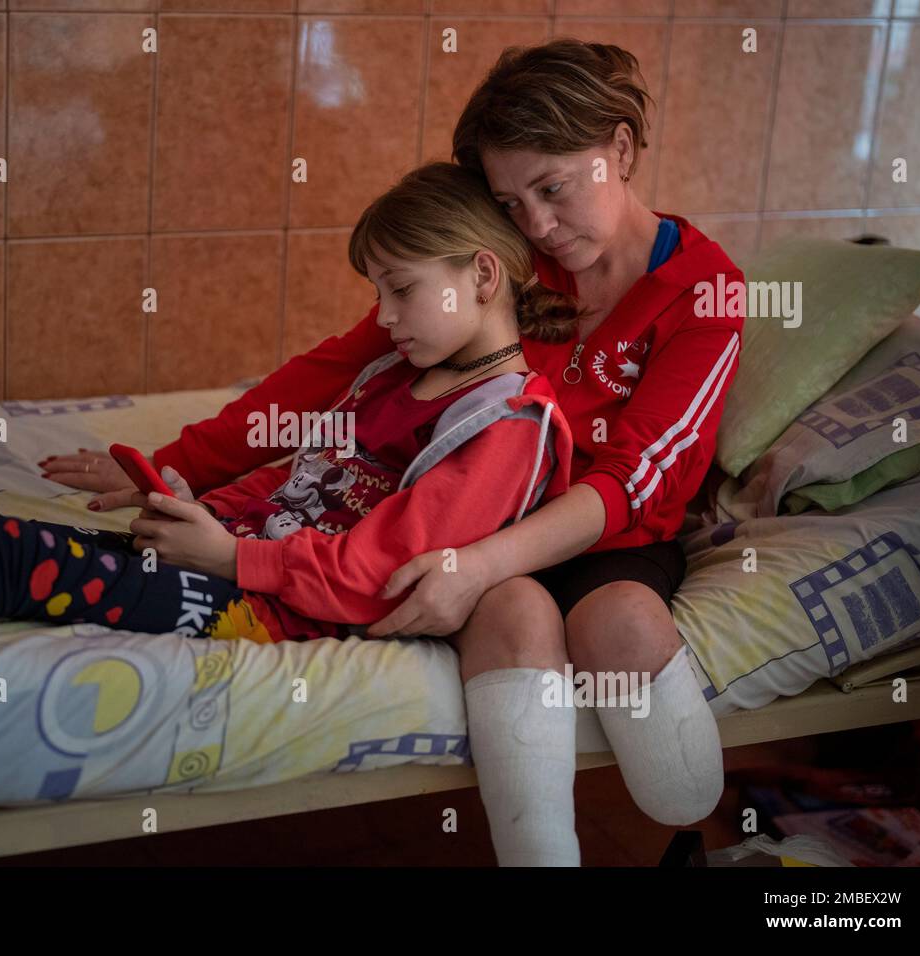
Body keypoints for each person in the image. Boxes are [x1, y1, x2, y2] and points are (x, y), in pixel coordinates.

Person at [49, 39, 745, 865]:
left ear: (621, 150)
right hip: (451, 510)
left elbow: (634, 481)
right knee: (516, 613)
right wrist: (180, 466)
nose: (537, 225)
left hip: (601, 537)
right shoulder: (513, 263)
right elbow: (340, 367)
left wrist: (480, 564)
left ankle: (699, 827)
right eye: (510, 201)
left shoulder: (707, 291)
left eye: (554, 189)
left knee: (625, 628)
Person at [0, 162, 577, 661]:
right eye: (378, 294)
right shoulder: (400, 374)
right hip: (237, 564)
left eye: (400, 290)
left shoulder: (506, 426)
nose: (383, 318)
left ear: (483, 276)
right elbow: (297, 479)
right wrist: (194, 509)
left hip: (279, 615)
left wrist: (231, 561)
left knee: (22, 561)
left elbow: (377, 570)